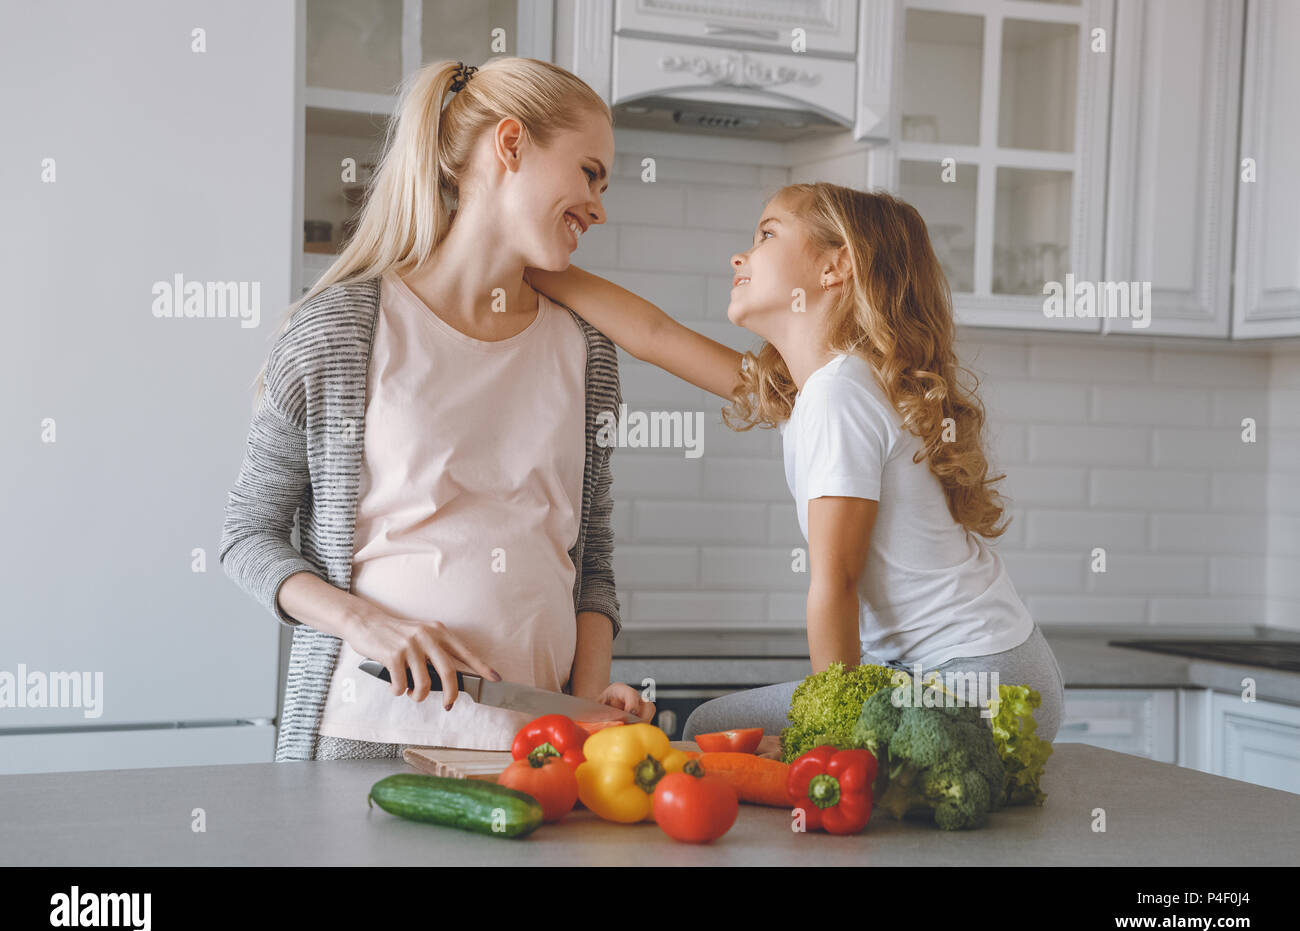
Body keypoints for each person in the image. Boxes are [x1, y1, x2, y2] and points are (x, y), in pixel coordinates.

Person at [527, 183, 1065, 753]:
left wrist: (837, 739)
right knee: (715, 733)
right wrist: (529, 265)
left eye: (766, 233)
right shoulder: (816, 390)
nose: (741, 255)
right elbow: (653, 336)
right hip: (989, 666)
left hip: (974, 681)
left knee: (721, 740)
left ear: (835, 267)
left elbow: (837, 582)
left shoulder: (840, 394)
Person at [219, 57, 653, 762]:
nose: (599, 206)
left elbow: (591, 558)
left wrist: (586, 710)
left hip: (536, 751)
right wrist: (365, 624)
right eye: (589, 173)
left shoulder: (585, 349)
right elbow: (246, 536)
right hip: (371, 736)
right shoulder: (340, 331)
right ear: (510, 145)